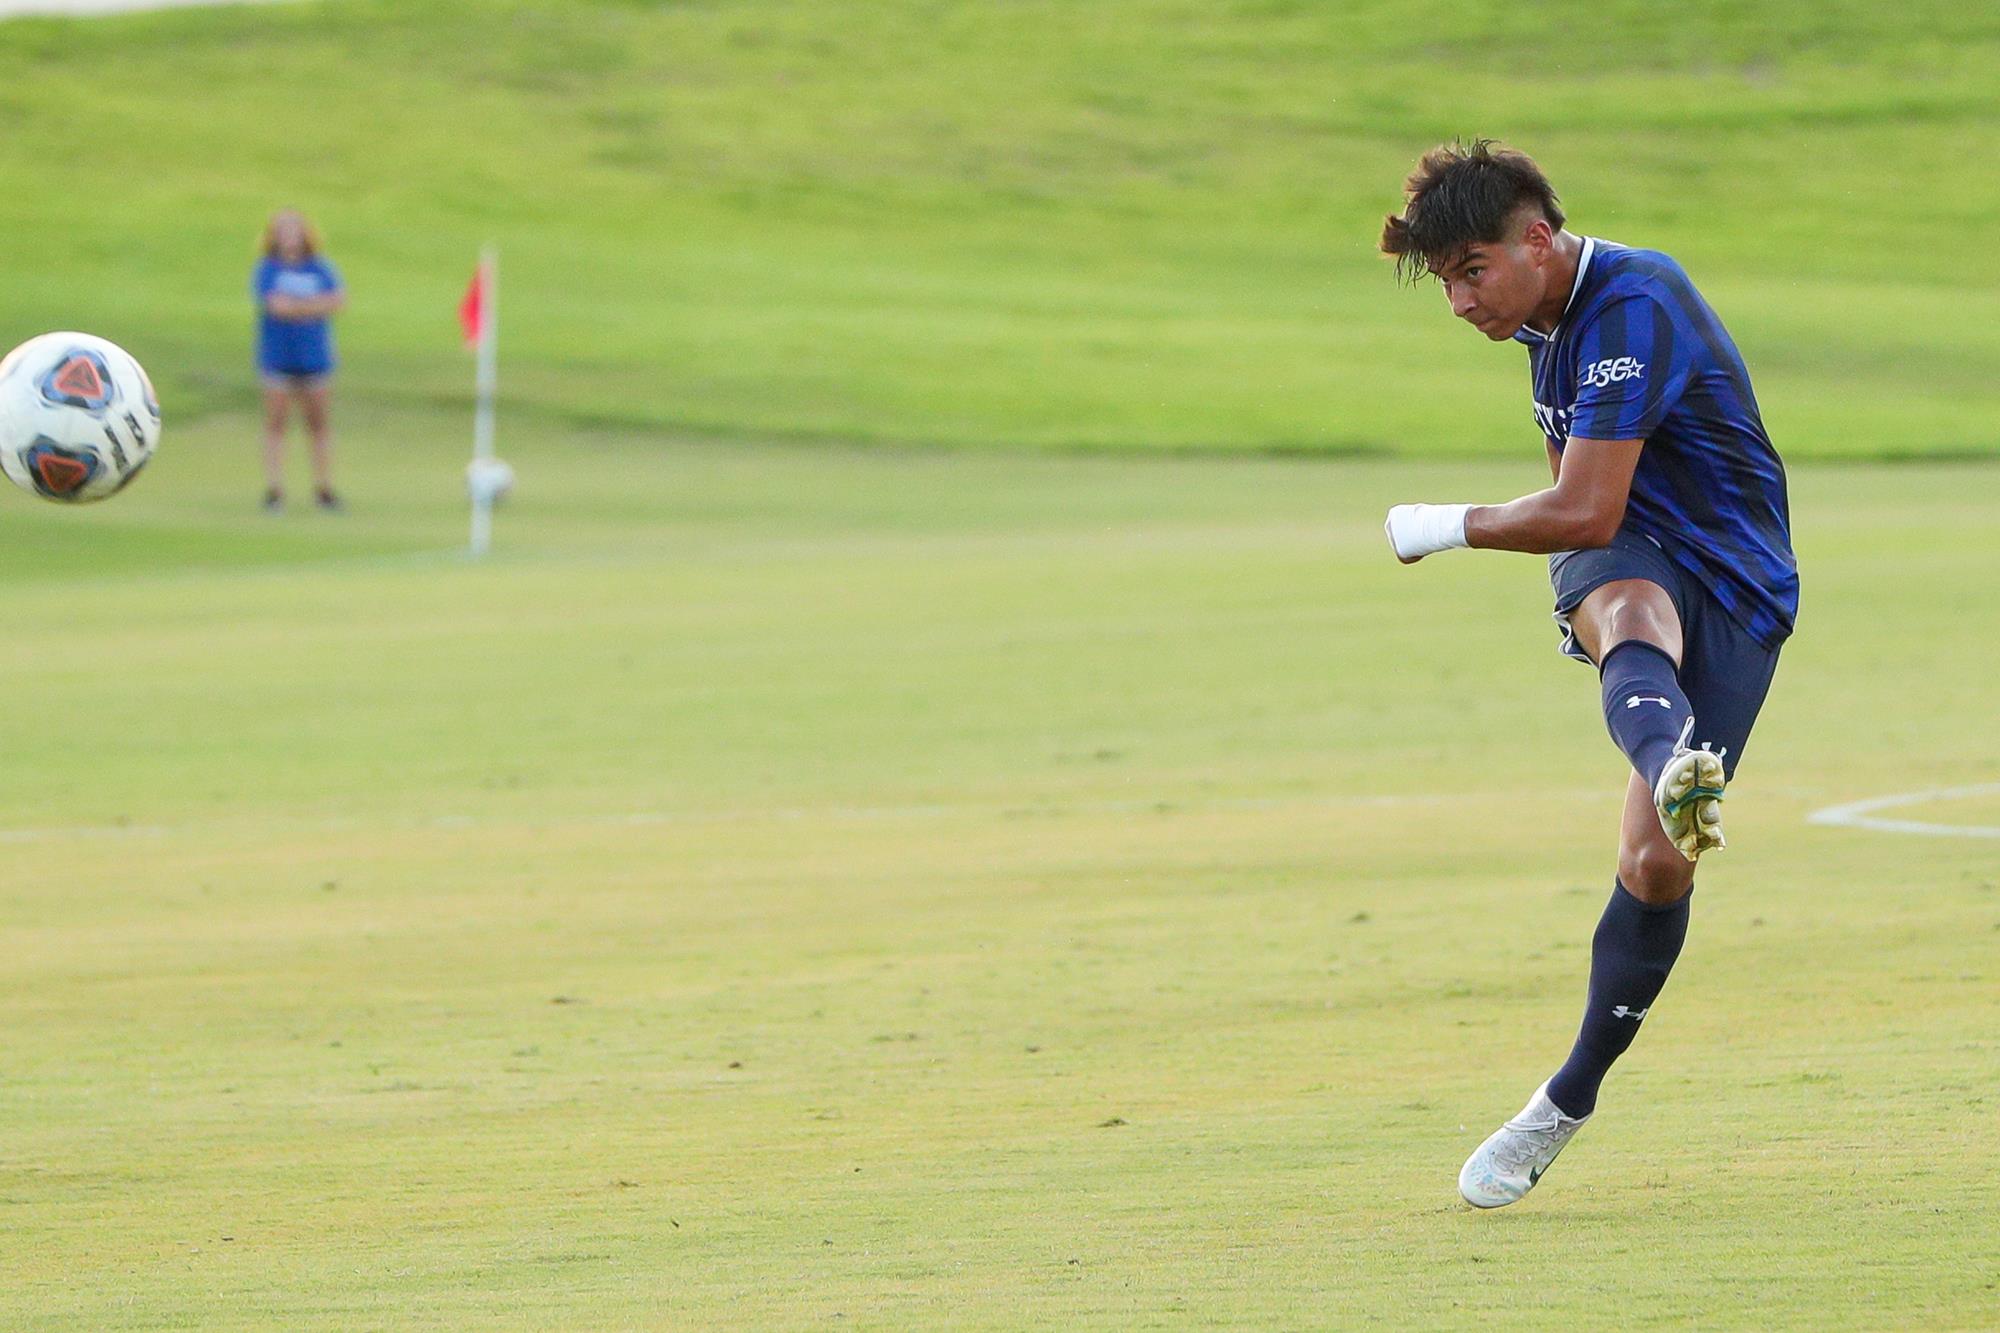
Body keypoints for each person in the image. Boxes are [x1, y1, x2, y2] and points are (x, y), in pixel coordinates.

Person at [1376, 141, 1798, 1208]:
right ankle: (1672, 764)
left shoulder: (1633, 302)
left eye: (1471, 271)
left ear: (1537, 238)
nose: (1459, 302)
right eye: (1445, 282)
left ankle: (1569, 1094)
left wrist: (1438, 523)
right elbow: (1596, 523)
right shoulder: (1544, 319)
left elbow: (1580, 506)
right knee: (1625, 609)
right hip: (1631, 553)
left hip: (1739, 580)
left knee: (1655, 866)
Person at [253, 209, 347, 512]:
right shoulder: (268, 269)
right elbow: (275, 307)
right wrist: (314, 306)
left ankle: (323, 487)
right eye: (283, 230)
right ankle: (275, 489)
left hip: (315, 358)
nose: (290, 236)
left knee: (318, 425)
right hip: (278, 357)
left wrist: (297, 307)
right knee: (276, 424)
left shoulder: (320, 268)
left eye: (295, 230)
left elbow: (338, 300)